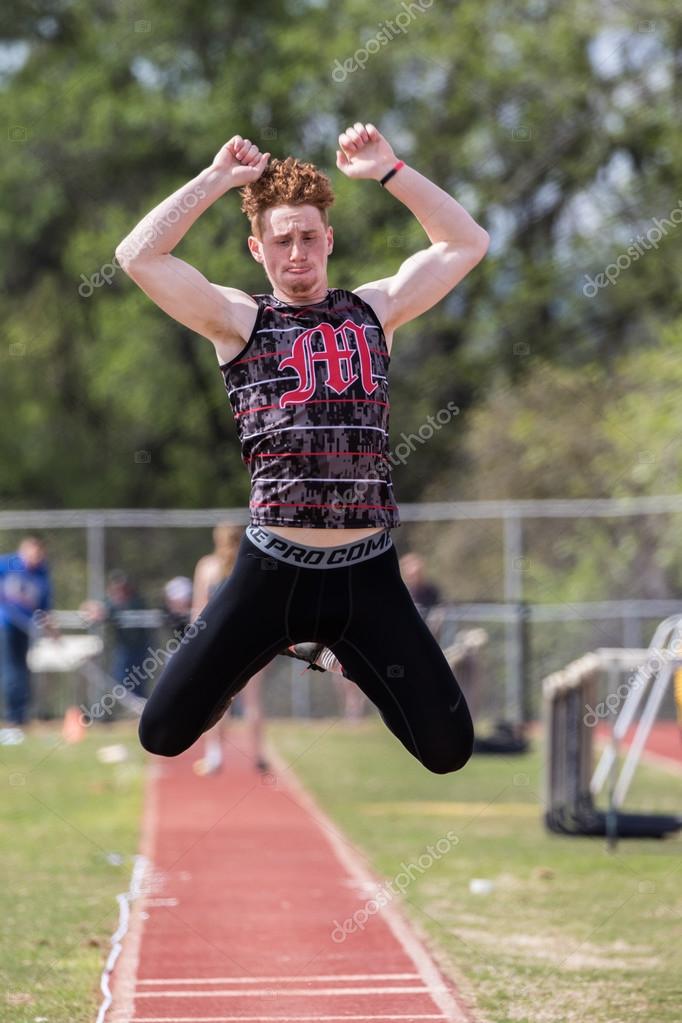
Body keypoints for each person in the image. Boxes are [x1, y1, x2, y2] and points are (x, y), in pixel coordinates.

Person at [116, 120, 488, 774]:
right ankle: (275, 642)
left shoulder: (376, 310)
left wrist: (389, 171)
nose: (297, 253)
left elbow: (467, 242)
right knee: (164, 731)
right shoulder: (238, 320)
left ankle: (328, 646)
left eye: (309, 238)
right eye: (282, 240)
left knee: (448, 748)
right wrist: (216, 179)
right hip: (271, 571)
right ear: (257, 248)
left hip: (366, 571)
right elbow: (138, 257)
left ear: (330, 241)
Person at [190, 523, 269, 775]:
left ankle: (214, 757)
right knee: (252, 702)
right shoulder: (252, 563)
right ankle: (258, 756)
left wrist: (194, 642)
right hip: (252, 640)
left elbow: (198, 609)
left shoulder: (207, 566)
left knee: (216, 701)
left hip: (218, 642)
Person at [0, 534, 57, 744]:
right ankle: (11, 719)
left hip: (26, 627)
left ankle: (21, 718)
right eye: (31, 552)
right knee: (11, 671)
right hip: (6, 625)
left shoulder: (41, 573)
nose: (35, 557)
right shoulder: (7, 565)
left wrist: (52, 631)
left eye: (38, 553)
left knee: (22, 671)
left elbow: (44, 608)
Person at [81, 570, 153, 700]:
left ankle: (138, 709)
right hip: (123, 649)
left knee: (139, 682)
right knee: (121, 681)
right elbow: (97, 607)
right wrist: (93, 609)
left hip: (140, 648)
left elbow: (117, 609)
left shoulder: (136, 602)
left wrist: (106, 610)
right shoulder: (111, 602)